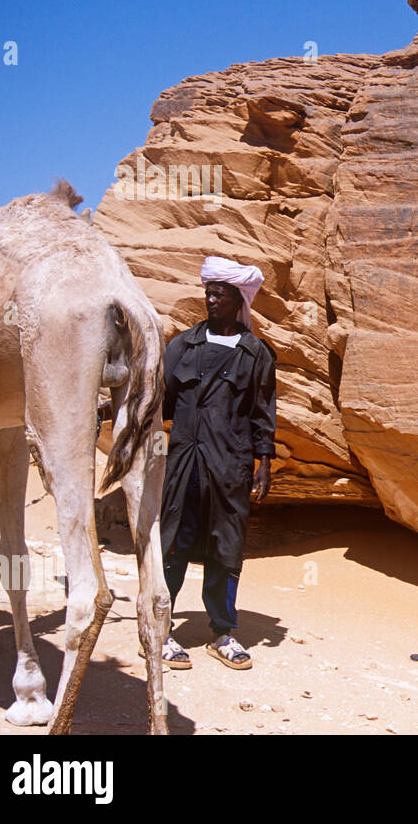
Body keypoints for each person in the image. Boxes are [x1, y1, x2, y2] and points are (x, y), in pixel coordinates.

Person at [157, 256, 276, 670]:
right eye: (208, 292)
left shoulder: (256, 353)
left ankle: (223, 632)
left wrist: (264, 462)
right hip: (185, 464)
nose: (210, 299)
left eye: (218, 294)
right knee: (173, 544)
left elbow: (263, 412)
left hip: (231, 467)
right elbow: (160, 403)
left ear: (237, 299)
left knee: (226, 547)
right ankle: (159, 631)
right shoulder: (182, 346)